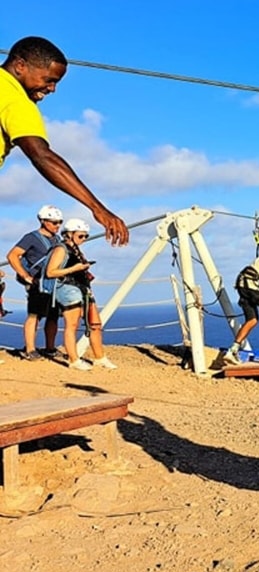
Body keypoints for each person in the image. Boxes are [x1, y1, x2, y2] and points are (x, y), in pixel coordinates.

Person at [1, 36, 128, 246]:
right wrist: (98, 209)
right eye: (49, 80)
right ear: (20, 66)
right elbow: (41, 155)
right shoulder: (16, 101)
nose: (52, 89)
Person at [44, 218, 115, 370]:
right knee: (72, 325)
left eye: (85, 236)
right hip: (69, 290)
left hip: (83, 289)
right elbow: (50, 272)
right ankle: (74, 360)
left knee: (95, 324)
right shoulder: (61, 249)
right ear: (69, 234)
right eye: (81, 236)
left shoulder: (75, 249)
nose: (84, 239)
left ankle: (99, 357)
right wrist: (74, 269)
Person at [6, 204, 62, 360]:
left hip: (52, 282)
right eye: (54, 222)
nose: (57, 225)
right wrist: (25, 276)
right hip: (37, 282)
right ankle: (30, 349)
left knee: (53, 316)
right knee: (34, 315)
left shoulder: (57, 239)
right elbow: (12, 255)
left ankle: (50, 348)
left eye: (59, 222)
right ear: (43, 221)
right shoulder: (31, 237)